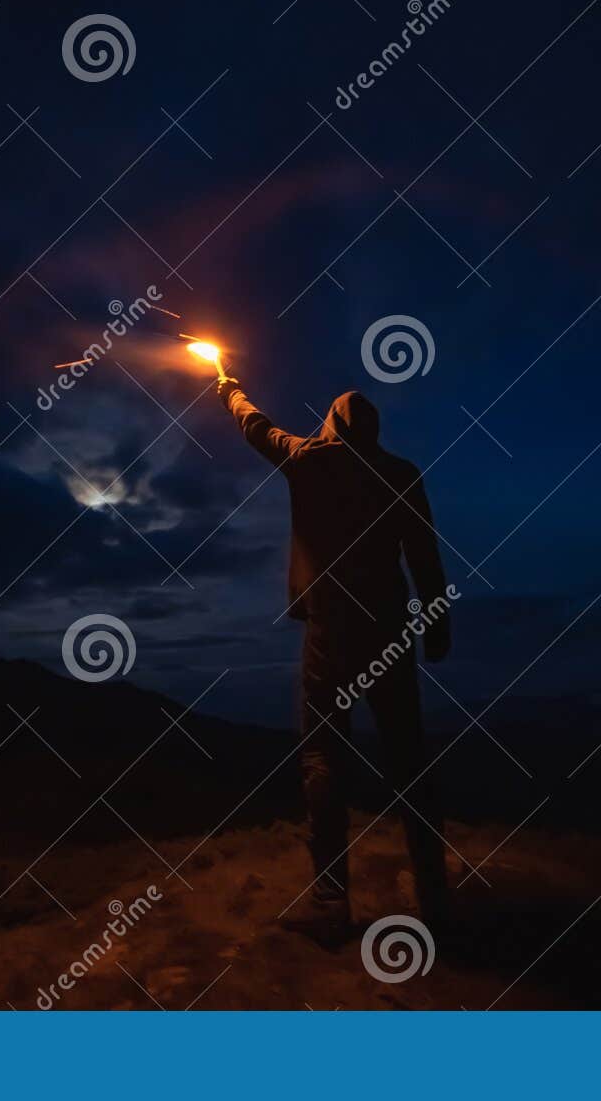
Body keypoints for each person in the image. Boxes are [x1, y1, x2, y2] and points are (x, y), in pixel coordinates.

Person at [215, 374, 451, 948]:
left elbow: (256, 429)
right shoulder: (401, 474)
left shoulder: (307, 459)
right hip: (390, 632)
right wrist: (437, 624)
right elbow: (424, 555)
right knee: (407, 755)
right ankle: (435, 898)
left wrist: (229, 390)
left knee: (323, 754)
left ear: (330, 423)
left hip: (331, 632)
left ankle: (330, 901)